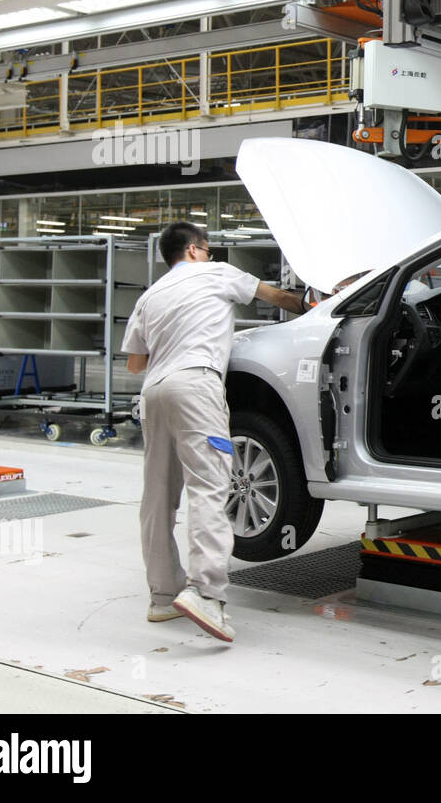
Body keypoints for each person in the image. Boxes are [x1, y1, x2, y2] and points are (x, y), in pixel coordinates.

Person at [122, 222, 305, 642]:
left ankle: (163, 597)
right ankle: (205, 592)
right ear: (193, 250)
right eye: (205, 249)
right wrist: (315, 306)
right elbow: (275, 296)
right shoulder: (217, 272)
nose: (208, 254)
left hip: (154, 393)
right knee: (210, 485)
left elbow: (134, 364)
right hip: (197, 387)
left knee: (157, 497)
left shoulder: (151, 295)